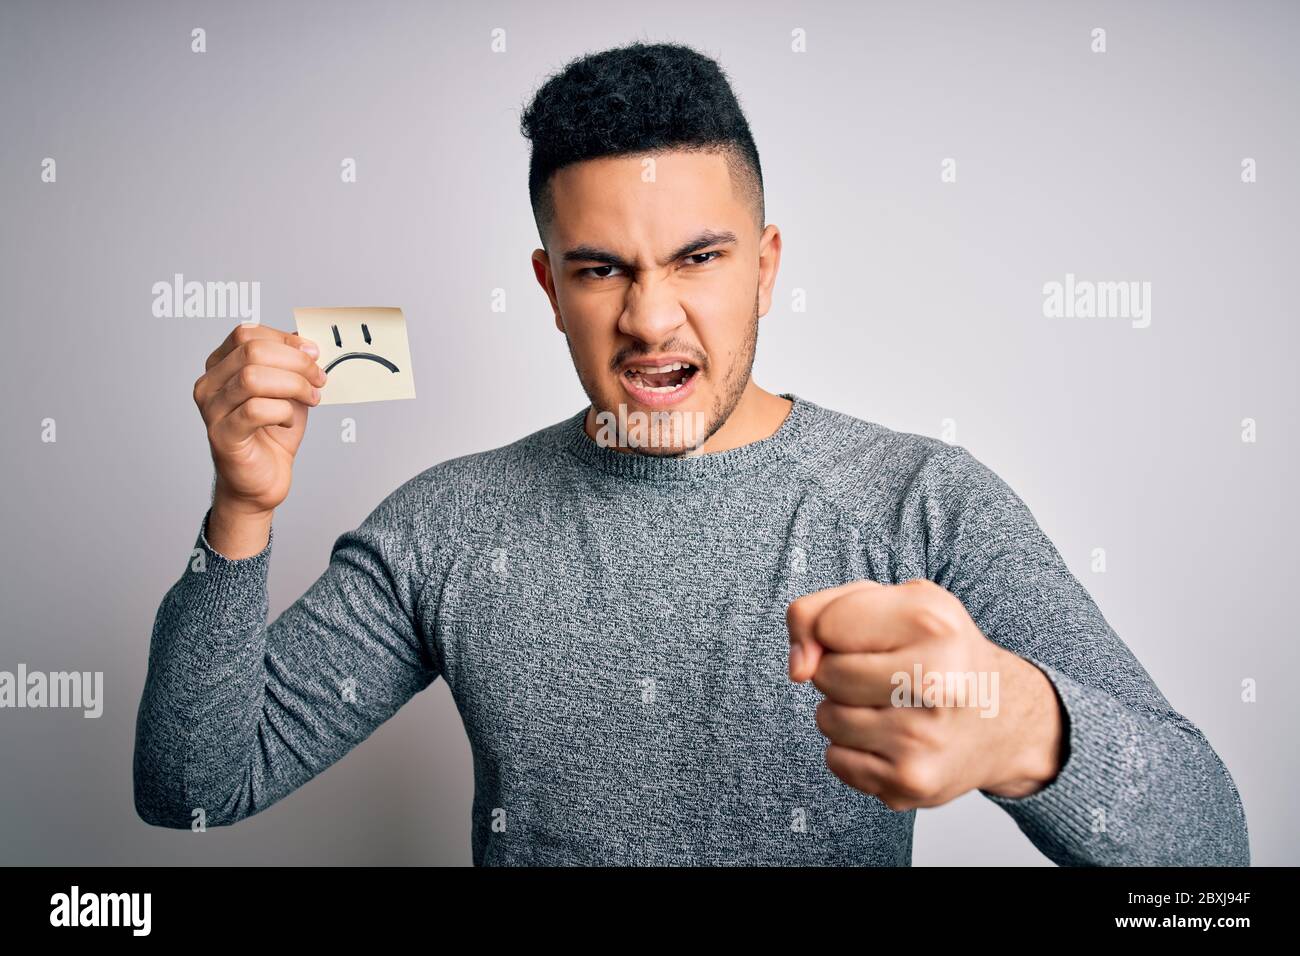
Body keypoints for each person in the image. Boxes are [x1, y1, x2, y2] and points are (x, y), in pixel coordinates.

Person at [133, 40, 1250, 866]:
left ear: (764, 266)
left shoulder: (920, 504)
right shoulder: (448, 524)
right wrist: (241, 509)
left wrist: (1021, 725)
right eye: (602, 268)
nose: (652, 318)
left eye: (698, 257)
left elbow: (1209, 855)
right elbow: (193, 785)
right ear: (549, 289)